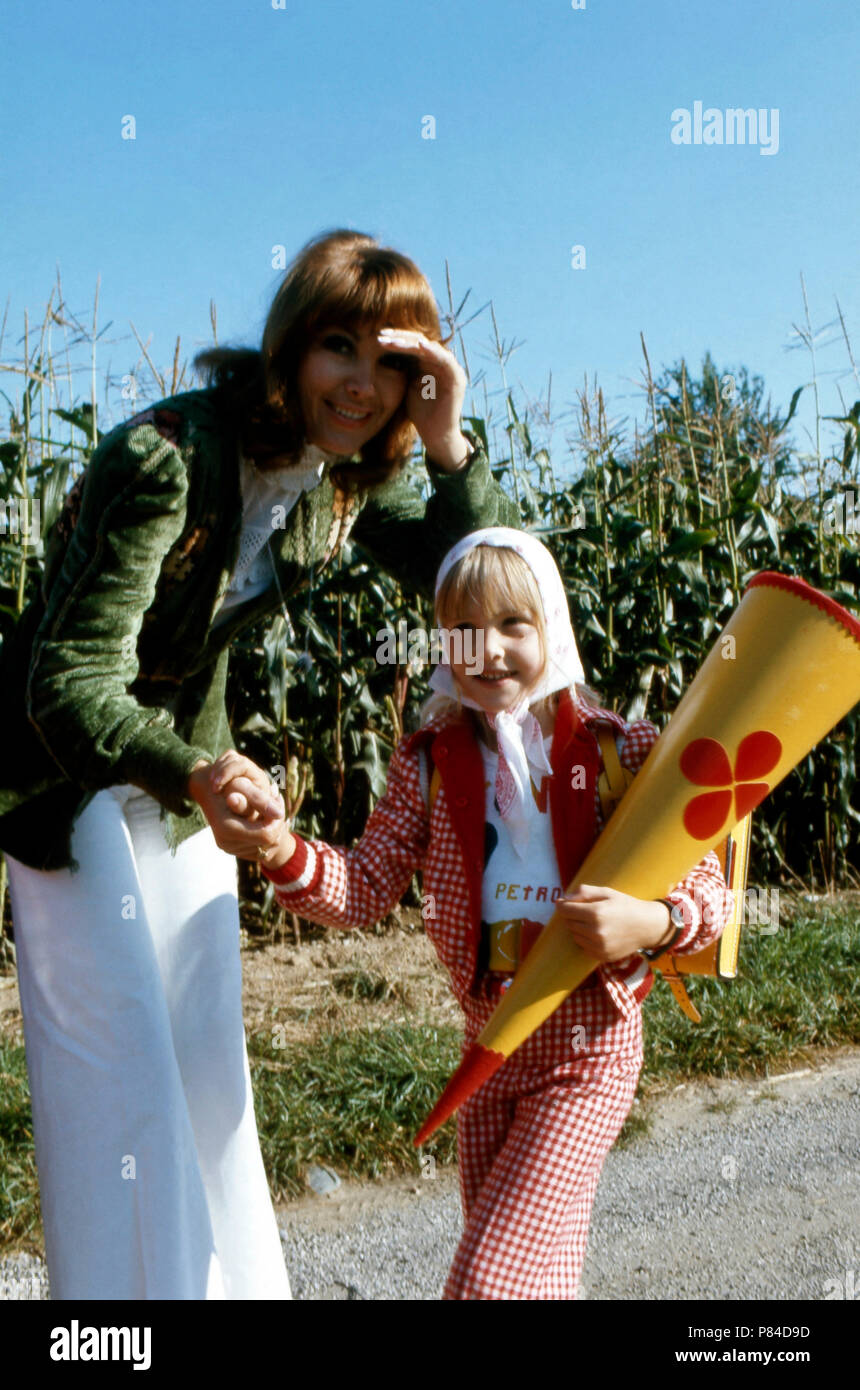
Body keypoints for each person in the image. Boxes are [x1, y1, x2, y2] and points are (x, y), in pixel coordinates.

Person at [0, 230, 519, 1300]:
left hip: (189, 782)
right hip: (66, 775)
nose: (362, 385)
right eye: (340, 347)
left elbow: (486, 585)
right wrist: (194, 768)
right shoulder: (165, 460)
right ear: (290, 348)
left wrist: (449, 441)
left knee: (204, 1067)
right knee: (123, 1077)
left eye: (392, 363)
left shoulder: (335, 493)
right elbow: (66, 677)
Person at [213, 526, 734, 1300]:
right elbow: (363, 888)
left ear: (551, 629)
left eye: (511, 626)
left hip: (587, 1042)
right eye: (463, 631)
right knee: (536, 1279)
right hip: (487, 1044)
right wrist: (281, 848)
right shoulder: (427, 761)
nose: (486, 651)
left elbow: (709, 888)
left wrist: (651, 924)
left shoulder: (620, 750)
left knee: (489, 1283)